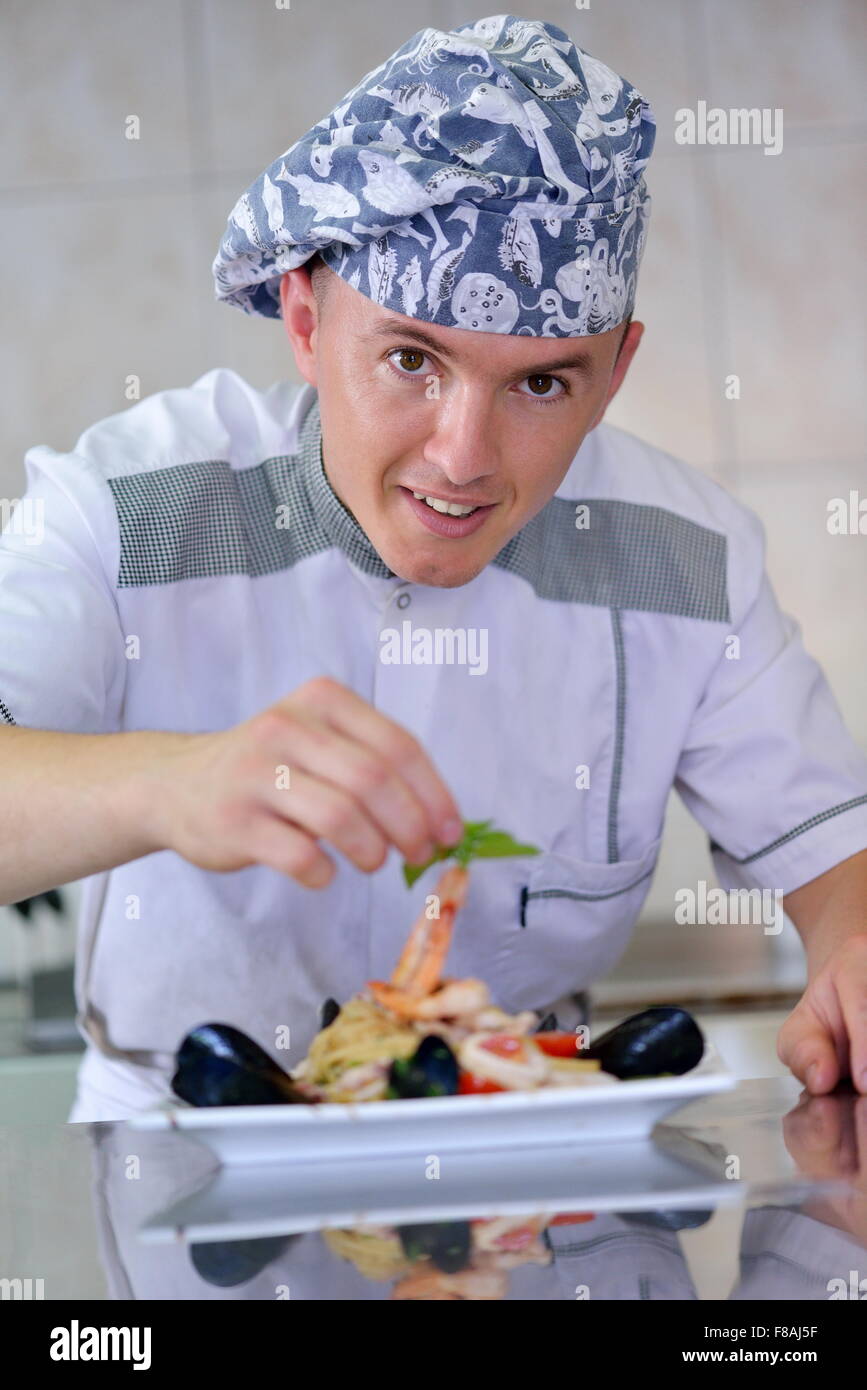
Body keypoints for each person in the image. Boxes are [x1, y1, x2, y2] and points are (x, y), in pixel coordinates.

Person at [1, 15, 865, 1123]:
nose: (462, 459)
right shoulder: (127, 509)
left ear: (613, 374)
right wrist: (166, 783)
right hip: (191, 1172)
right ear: (306, 319)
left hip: (530, 1163)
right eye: (412, 360)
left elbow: (838, 856)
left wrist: (854, 953)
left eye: (543, 386)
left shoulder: (687, 558)